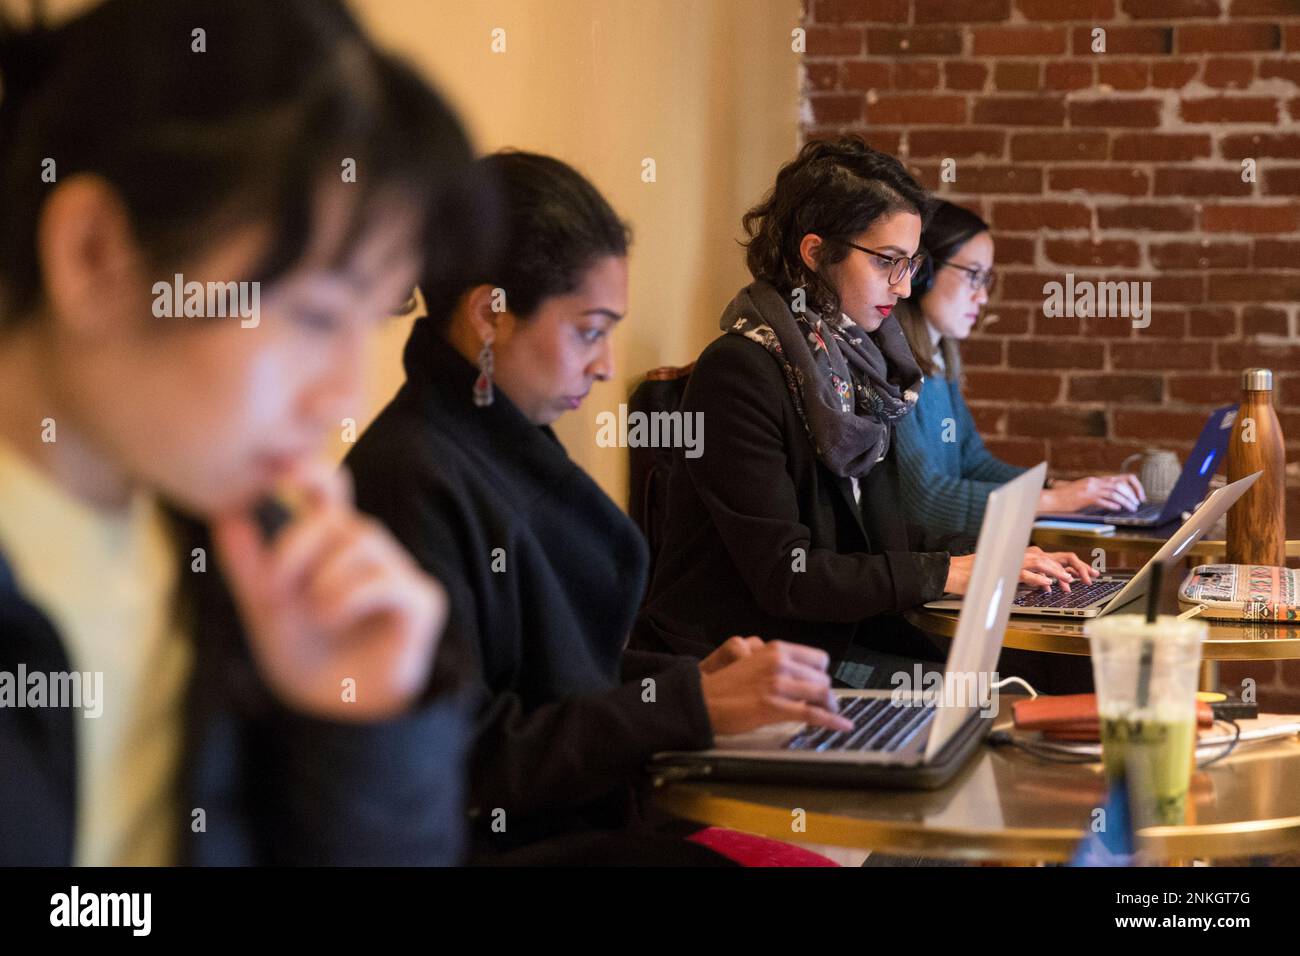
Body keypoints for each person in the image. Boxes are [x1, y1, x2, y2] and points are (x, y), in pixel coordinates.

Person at [0, 0, 493, 865]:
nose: (344, 394)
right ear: (94, 257)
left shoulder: (242, 568)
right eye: (312, 316)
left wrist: (364, 730)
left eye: (367, 325)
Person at [347, 151, 852, 865]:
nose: (608, 364)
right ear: (489, 315)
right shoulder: (408, 479)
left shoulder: (494, 437)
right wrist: (685, 709)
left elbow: (549, 679)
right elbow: (468, 760)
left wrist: (691, 682)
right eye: (589, 329)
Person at [636, 138, 1095, 693]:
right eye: (887, 263)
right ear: (815, 251)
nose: (903, 287)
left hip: (838, 633)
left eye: (912, 265)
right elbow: (788, 576)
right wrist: (949, 572)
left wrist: (999, 557)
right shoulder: (738, 371)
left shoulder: (858, 361)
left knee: (1069, 659)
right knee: (1004, 688)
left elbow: (883, 532)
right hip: (755, 653)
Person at [893, 200, 1146, 552]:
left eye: (987, 279)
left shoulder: (938, 359)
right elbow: (926, 500)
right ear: (923, 272)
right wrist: (1055, 502)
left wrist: (1057, 487)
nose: (982, 297)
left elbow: (972, 463)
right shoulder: (888, 364)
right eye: (973, 275)